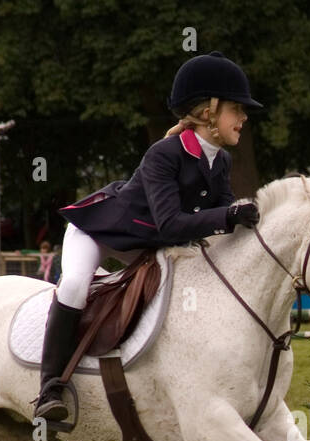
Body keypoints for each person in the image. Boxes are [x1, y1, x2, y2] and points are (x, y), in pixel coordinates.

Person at [33, 52, 263, 422]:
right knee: (75, 284)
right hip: (102, 231)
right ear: (209, 113)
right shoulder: (164, 154)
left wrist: (243, 222)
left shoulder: (221, 160)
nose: (244, 117)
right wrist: (229, 214)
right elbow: (173, 224)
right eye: (237, 109)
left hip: (147, 243)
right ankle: (49, 389)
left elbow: (218, 224)